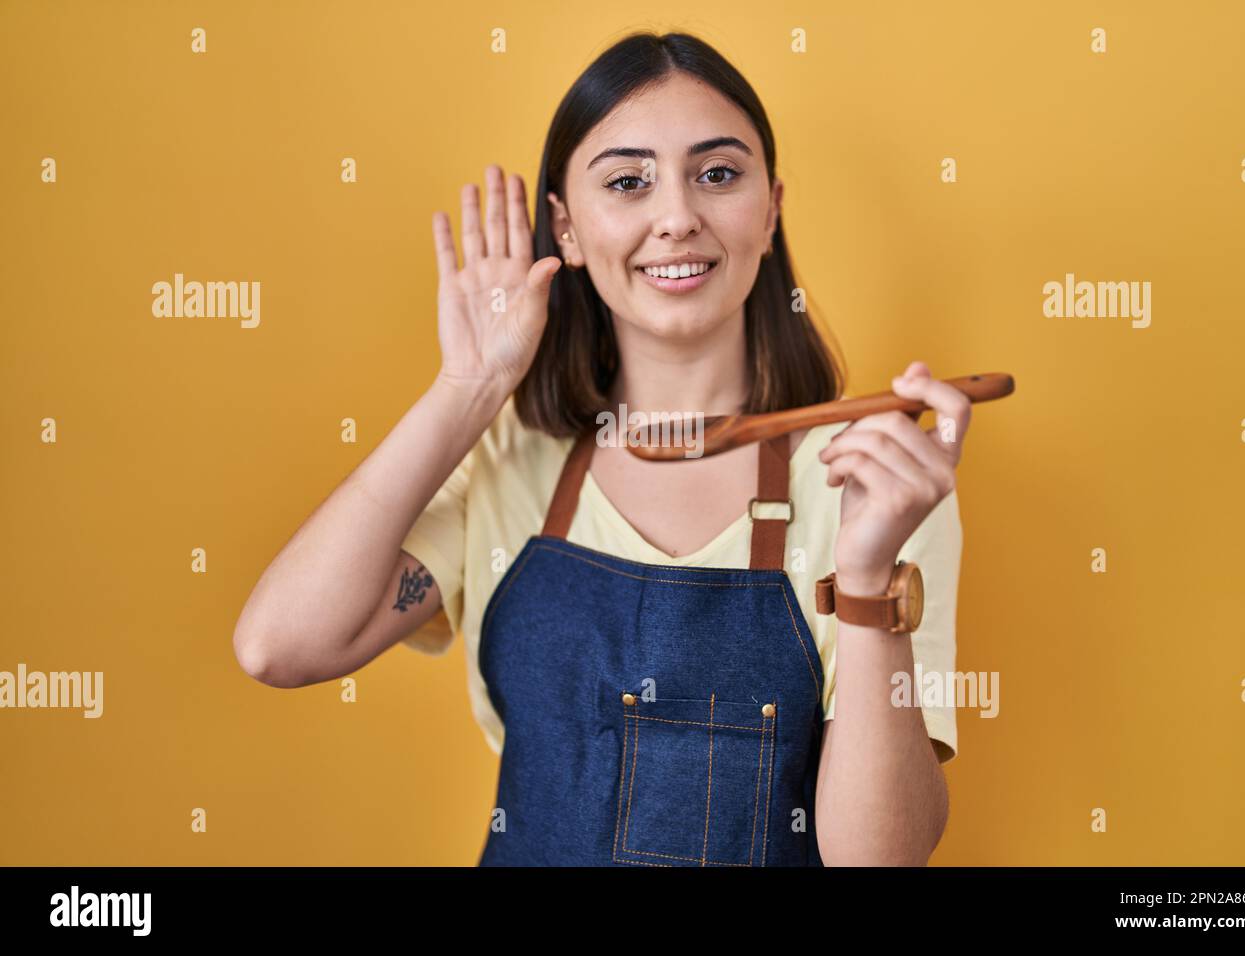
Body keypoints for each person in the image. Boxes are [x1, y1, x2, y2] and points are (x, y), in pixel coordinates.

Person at [233, 31, 972, 867]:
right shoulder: (510, 461)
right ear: (567, 231)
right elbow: (278, 646)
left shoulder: (871, 483)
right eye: (628, 182)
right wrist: (470, 387)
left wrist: (870, 584)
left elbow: (878, 861)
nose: (677, 217)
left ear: (769, 210)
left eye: (719, 174)